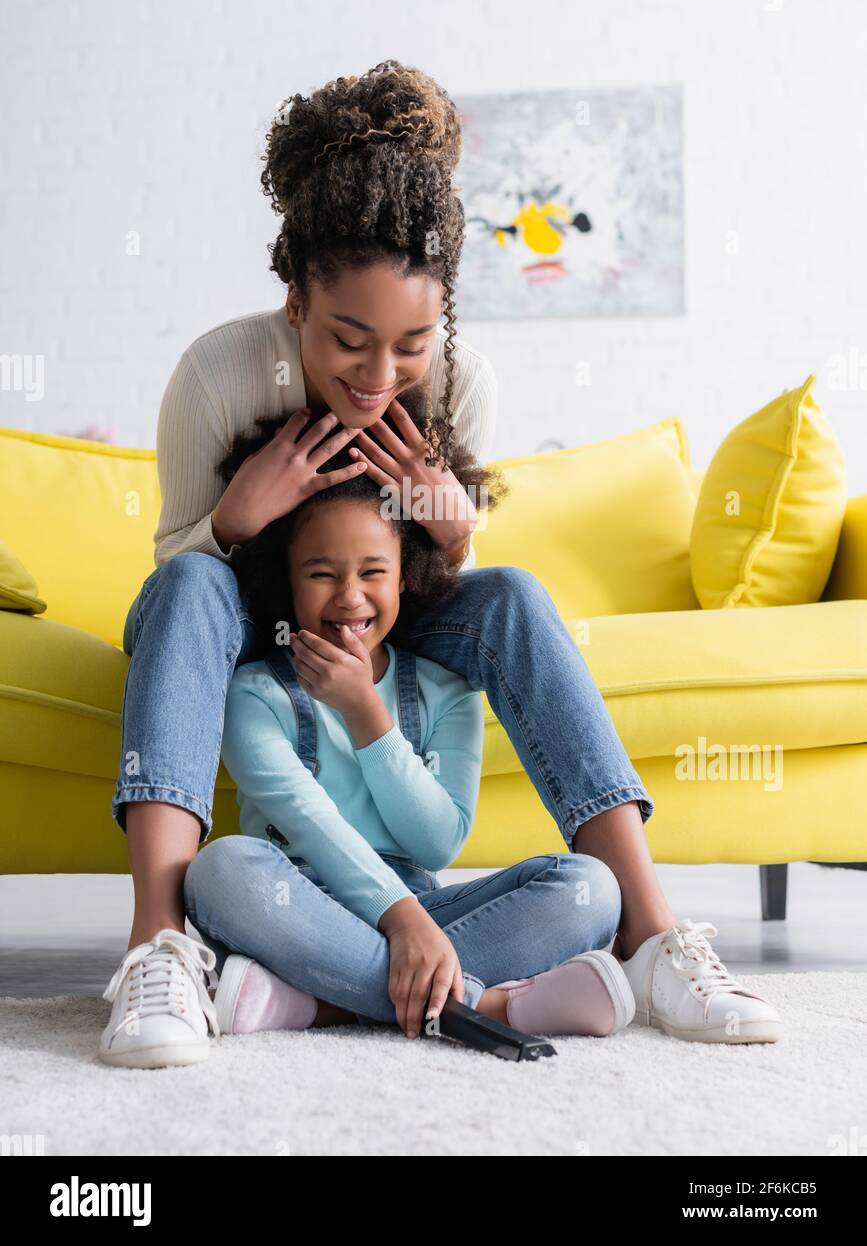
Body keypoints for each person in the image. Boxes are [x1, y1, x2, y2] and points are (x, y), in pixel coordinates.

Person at [100, 59, 781, 1069]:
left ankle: (642, 931)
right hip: (249, 619)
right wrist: (235, 523)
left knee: (509, 594)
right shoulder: (218, 373)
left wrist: (454, 534)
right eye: (349, 341)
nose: (379, 381)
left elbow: (435, 597)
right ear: (296, 301)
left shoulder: (468, 382)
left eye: (412, 345)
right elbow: (171, 589)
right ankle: (164, 945)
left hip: (382, 625)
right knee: (192, 581)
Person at [180, 398, 635, 1044]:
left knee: (591, 888)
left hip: (427, 909)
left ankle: (317, 1003)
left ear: (407, 575)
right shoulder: (256, 693)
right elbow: (306, 825)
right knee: (219, 870)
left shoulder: (445, 690)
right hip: (302, 905)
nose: (349, 598)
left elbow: (435, 842)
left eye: (373, 573)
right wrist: (401, 925)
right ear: (284, 577)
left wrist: (367, 715)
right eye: (320, 574)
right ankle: (488, 1007)